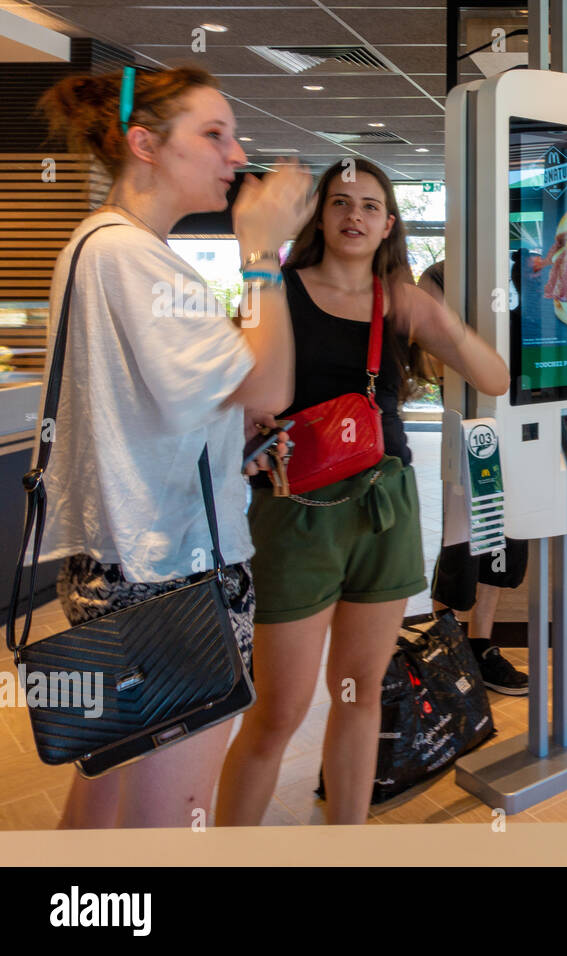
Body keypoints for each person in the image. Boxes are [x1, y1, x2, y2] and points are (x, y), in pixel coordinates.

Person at [33, 65, 313, 828]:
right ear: (144, 144)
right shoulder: (131, 255)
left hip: (126, 562)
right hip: (171, 576)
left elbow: (174, 407)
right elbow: (269, 385)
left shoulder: (101, 245)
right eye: (214, 134)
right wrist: (262, 253)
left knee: (106, 791)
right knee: (171, 815)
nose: (236, 154)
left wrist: (230, 444)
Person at [217, 161, 509, 826]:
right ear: (318, 215)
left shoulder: (399, 302)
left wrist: (440, 320)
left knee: (359, 695)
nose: (355, 215)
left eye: (371, 205)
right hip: (295, 515)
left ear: (389, 224)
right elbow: (240, 401)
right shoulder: (277, 291)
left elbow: (492, 375)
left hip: (386, 508)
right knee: (278, 712)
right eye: (340, 202)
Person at [417, 260, 528, 695]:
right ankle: (443, 647)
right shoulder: (441, 276)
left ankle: (481, 644)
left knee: (503, 540)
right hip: (467, 427)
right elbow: (429, 367)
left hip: (519, 426)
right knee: (460, 540)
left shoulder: (525, 278)